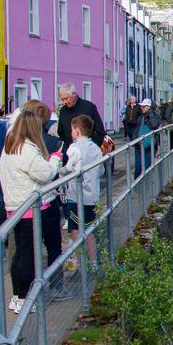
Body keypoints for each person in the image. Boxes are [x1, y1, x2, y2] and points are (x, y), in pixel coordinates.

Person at [0, 108, 63, 313]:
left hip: (15, 205)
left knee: (20, 253)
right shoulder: (27, 149)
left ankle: (18, 296)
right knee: (28, 254)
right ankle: (23, 298)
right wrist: (55, 158)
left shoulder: (10, 146)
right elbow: (45, 175)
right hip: (29, 208)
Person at [21, 100, 66, 296]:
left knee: (26, 250)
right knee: (53, 245)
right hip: (47, 200)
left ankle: (26, 292)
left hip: (23, 203)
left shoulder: (15, 143)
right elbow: (50, 174)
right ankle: (56, 287)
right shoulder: (51, 143)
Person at [63, 115, 103, 270]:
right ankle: (93, 263)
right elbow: (100, 170)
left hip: (76, 196)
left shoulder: (74, 148)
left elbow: (69, 169)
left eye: (72, 129)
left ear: (77, 131)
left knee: (75, 230)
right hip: (92, 196)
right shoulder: (95, 148)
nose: (71, 132)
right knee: (90, 230)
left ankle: (80, 264)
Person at [56, 82, 104, 149]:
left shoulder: (89, 107)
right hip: (69, 152)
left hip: (88, 151)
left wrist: (92, 148)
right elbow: (61, 132)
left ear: (74, 94)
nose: (64, 102)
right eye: (62, 99)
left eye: (66, 98)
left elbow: (100, 132)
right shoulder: (63, 110)